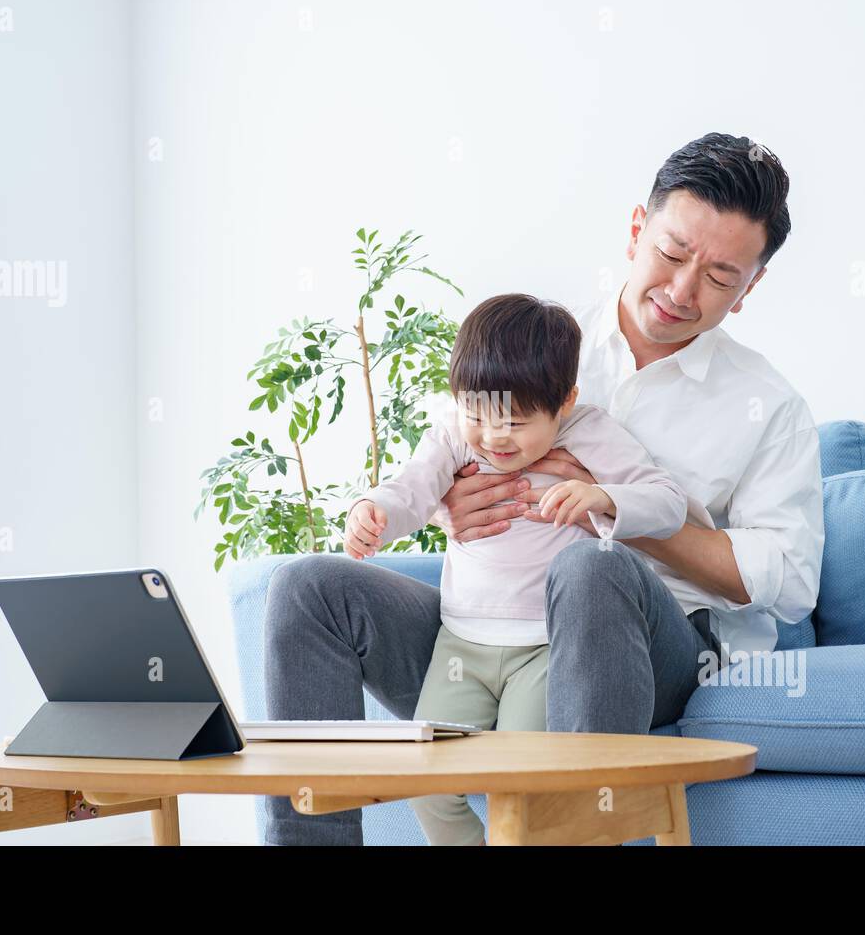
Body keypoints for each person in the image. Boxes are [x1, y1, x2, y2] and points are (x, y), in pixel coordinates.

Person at [263, 132, 824, 846]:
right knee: (307, 587)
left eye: (719, 277)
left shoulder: (768, 406)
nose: (682, 291)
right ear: (635, 231)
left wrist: (612, 507)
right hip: (489, 635)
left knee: (591, 566)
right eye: (673, 254)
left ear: (750, 287)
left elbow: (793, 583)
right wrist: (445, 505)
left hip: (657, 649)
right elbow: (441, 455)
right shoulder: (535, 341)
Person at [344, 292, 691, 845]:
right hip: (461, 646)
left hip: (543, 648)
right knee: (430, 783)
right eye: (477, 415)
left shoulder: (589, 433)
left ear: (566, 403)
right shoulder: (456, 432)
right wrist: (375, 511)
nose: (493, 437)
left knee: (524, 780)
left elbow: (668, 502)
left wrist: (601, 496)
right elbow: (414, 484)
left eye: (515, 422)